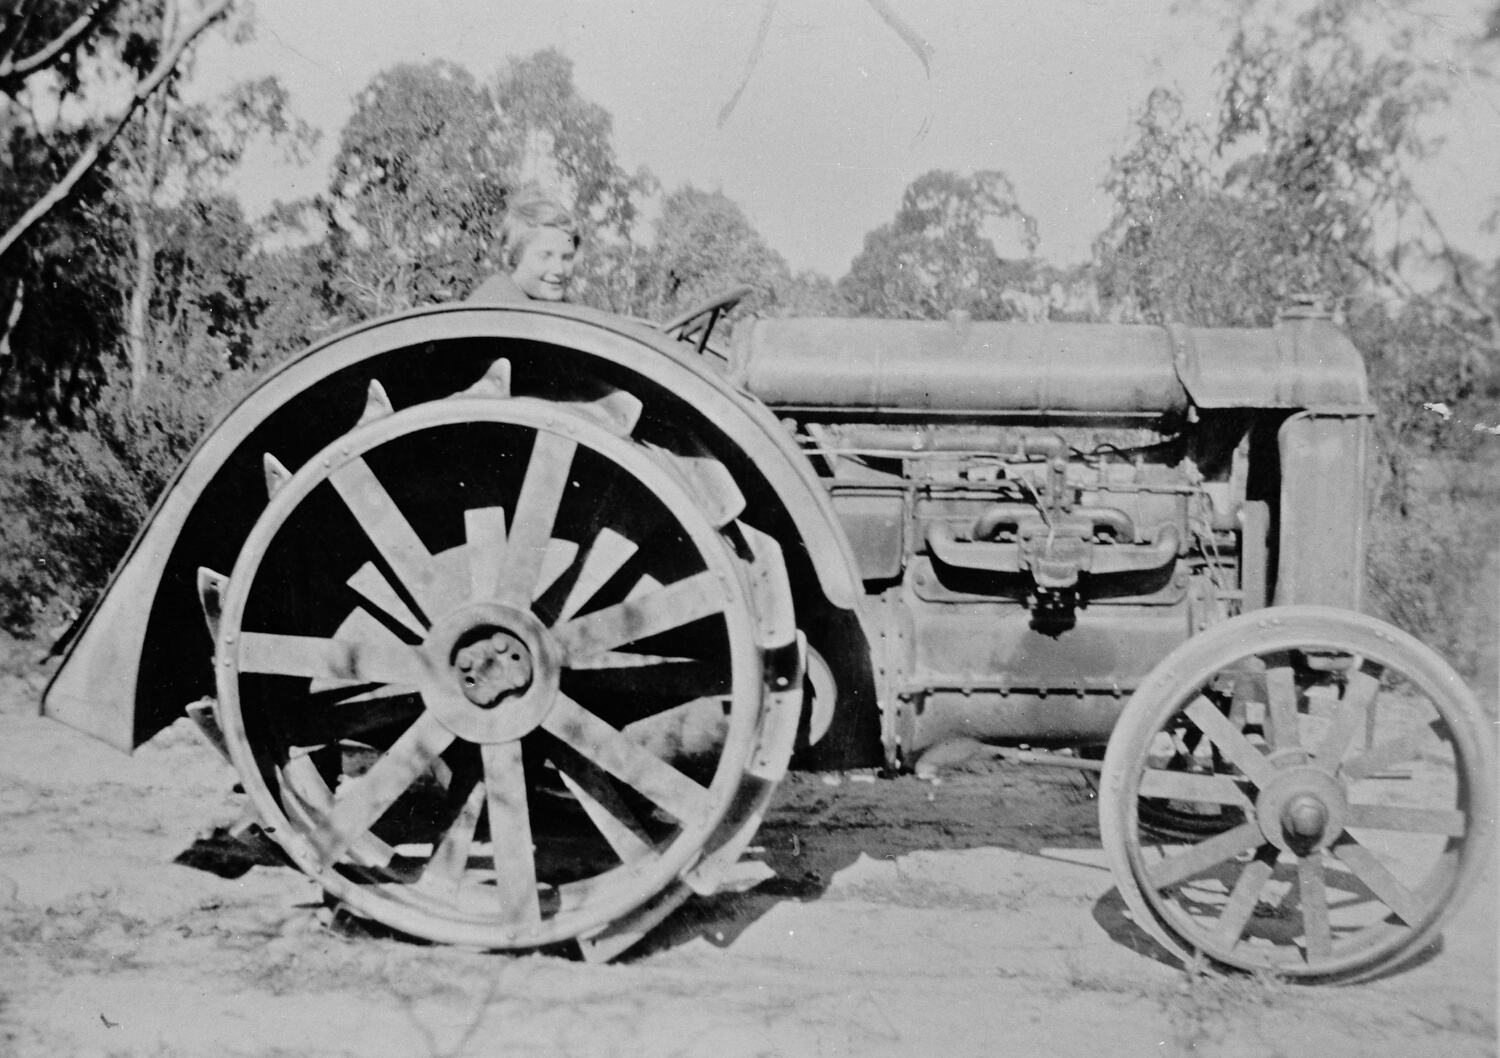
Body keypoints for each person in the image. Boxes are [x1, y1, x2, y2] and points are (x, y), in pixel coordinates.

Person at [468, 186, 580, 304]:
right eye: (545, 256)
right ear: (509, 257)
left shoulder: (561, 310)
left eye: (567, 257)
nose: (559, 270)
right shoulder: (493, 307)